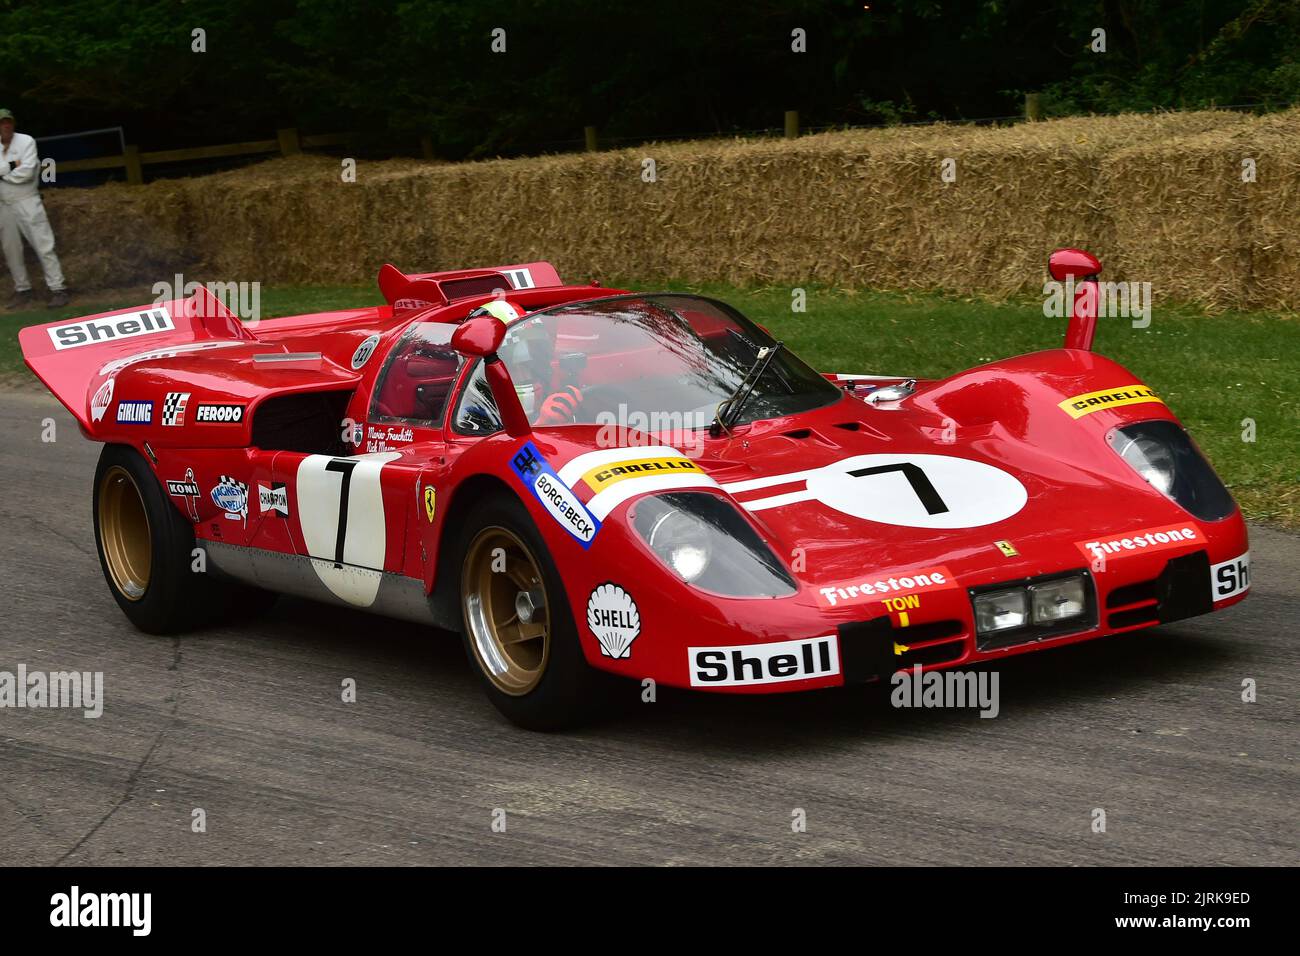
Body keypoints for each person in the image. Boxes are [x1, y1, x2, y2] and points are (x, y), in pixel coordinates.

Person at [0, 109, 68, 308]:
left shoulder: (26, 141)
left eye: (8, 122)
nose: (5, 126)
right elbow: (18, 169)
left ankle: (58, 288)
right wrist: (12, 166)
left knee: (43, 244)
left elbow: (28, 172)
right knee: (11, 249)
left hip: (27, 199)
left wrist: (3, 172)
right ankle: (23, 290)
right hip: (3, 204)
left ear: (13, 123)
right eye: (2, 123)